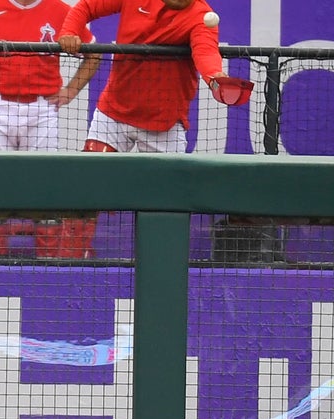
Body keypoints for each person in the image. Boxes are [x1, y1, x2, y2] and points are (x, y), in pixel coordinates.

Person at [57, 0, 227, 257]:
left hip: (164, 123)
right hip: (113, 112)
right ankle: (71, 263)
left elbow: (205, 52)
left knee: (166, 206)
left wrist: (216, 77)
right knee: (87, 187)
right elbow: (86, 7)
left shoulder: (201, 16)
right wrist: (70, 31)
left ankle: (159, 266)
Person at [0, 0, 101, 258]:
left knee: (44, 190)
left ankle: (49, 267)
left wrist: (71, 90)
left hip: (41, 108)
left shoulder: (61, 11)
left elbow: (95, 52)